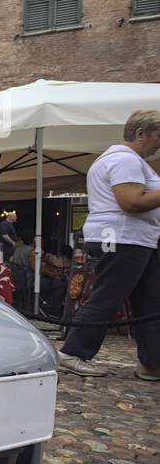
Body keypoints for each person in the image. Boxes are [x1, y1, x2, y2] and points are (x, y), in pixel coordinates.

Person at [58, 110, 160, 380]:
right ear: (141, 133)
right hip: (124, 237)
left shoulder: (119, 159)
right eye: (158, 137)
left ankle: (153, 362)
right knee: (109, 295)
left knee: (149, 300)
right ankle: (74, 351)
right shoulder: (126, 161)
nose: (158, 144)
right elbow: (132, 202)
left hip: (131, 238)